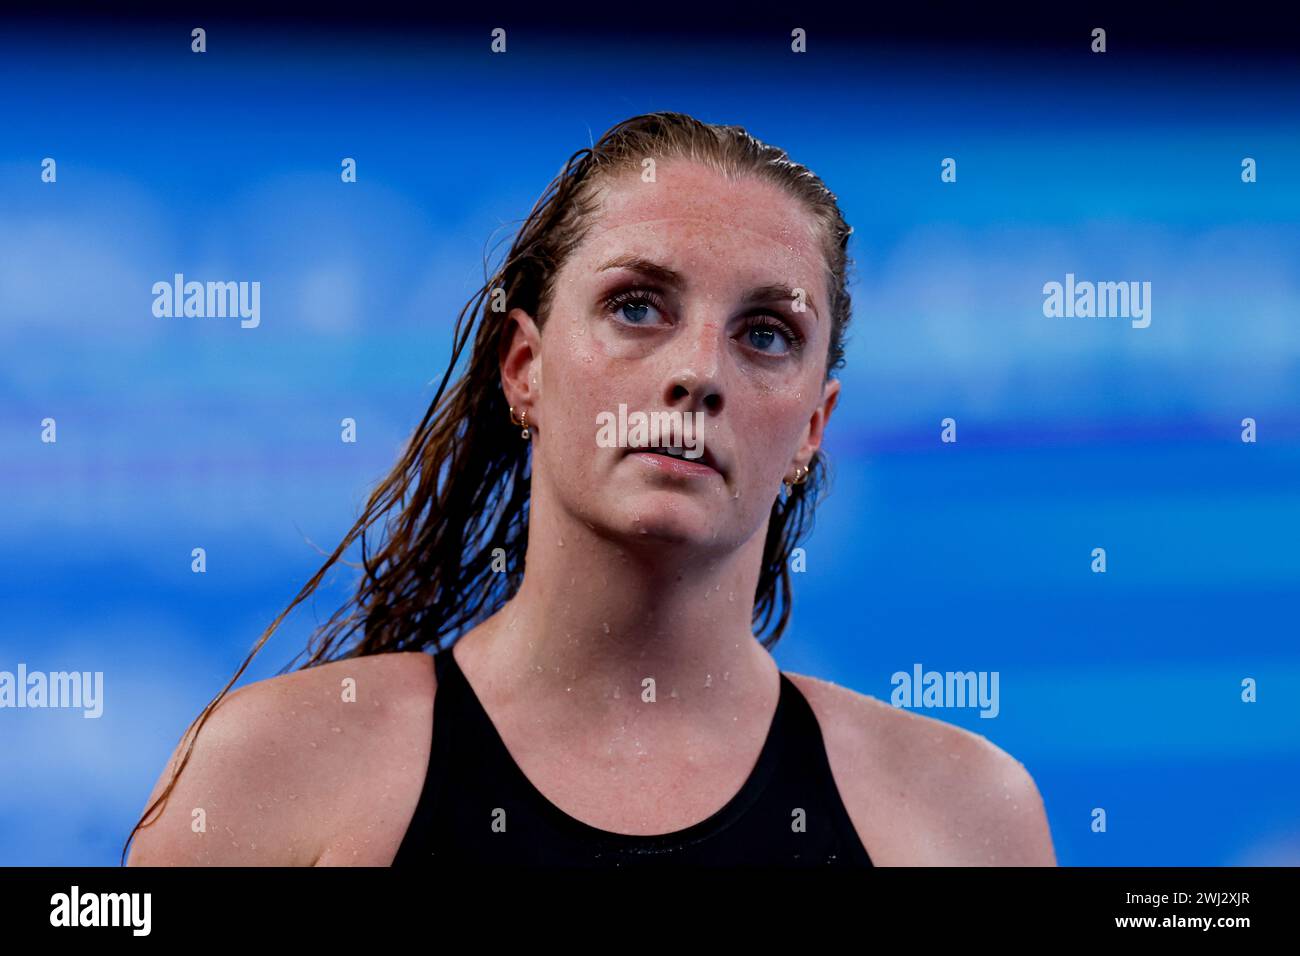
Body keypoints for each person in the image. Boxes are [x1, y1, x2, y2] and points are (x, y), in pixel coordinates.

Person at [124, 111, 1056, 867]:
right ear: (524, 366)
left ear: (813, 426)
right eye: (637, 307)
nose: (699, 373)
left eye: (766, 332)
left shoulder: (963, 818)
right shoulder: (270, 773)